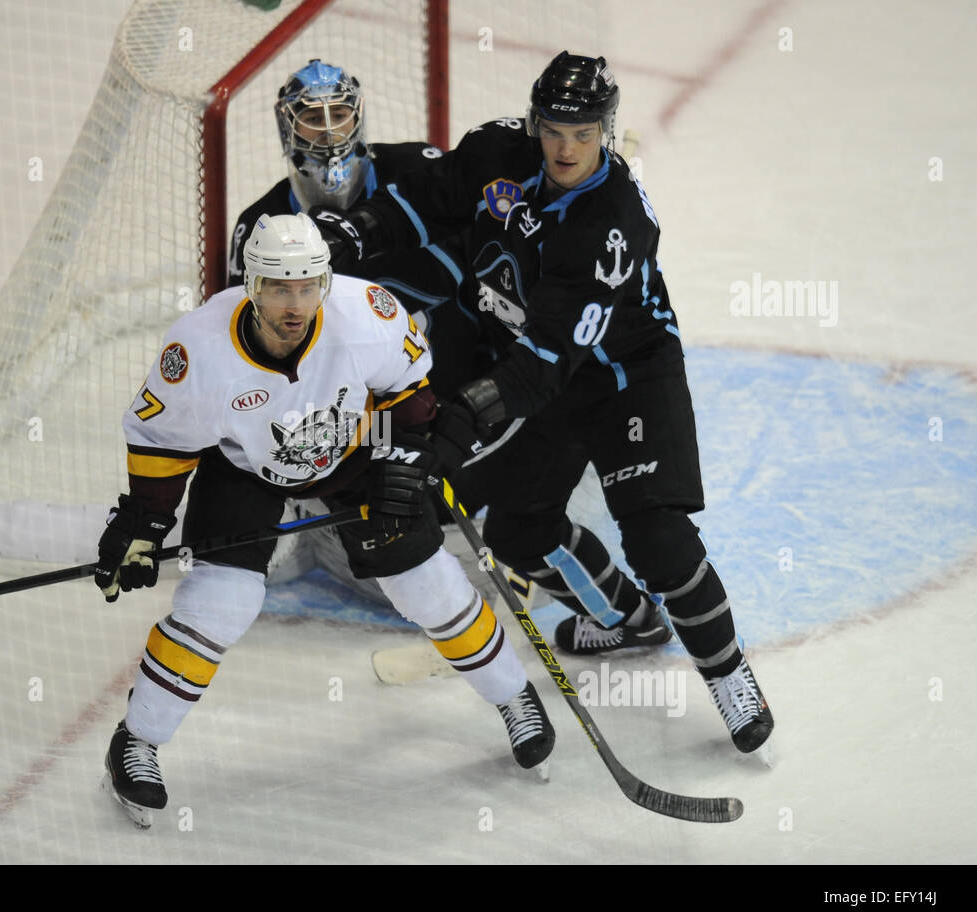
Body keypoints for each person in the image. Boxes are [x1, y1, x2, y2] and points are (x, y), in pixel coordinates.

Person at [312, 53, 773, 754]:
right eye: (555, 128)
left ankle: (731, 675)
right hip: (544, 372)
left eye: (583, 133)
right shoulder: (499, 150)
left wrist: (458, 423)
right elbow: (428, 196)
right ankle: (623, 618)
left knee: (658, 535)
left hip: (625, 376)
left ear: (606, 133)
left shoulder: (610, 225)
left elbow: (543, 365)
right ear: (535, 121)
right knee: (519, 534)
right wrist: (357, 233)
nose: (565, 147)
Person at [94, 213, 554, 828]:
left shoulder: (366, 315)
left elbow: (410, 399)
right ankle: (137, 740)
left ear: (325, 281)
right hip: (246, 469)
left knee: (428, 584)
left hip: (355, 453)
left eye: (308, 285)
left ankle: (514, 696)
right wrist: (145, 524)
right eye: (280, 288)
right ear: (251, 286)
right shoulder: (197, 350)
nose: (295, 304)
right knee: (219, 603)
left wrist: (406, 456)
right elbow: (161, 442)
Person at [228, 59, 478, 397]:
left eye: (340, 115)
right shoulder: (260, 222)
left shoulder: (417, 171)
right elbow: (242, 338)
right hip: (339, 411)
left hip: (456, 385)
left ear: (358, 116)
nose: (330, 131)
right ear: (287, 127)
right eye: (313, 119)